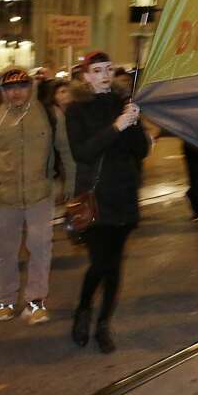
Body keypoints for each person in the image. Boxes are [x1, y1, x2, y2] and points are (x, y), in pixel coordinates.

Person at [0, 68, 76, 324]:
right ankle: (5, 300)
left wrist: (71, 186)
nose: (16, 93)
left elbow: (67, 152)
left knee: (40, 247)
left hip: (40, 194)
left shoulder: (49, 113)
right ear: (2, 90)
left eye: (22, 86)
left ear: (31, 87)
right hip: (2, 197)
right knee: (6, 251)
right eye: (10, 88)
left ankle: (36, 302)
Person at [66, 50, 151, 354]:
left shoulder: (123, 103)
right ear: (86, 76)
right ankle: (83, 309)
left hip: (124, 194)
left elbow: (140, 151)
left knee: (114, 266)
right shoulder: (76, 109)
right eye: (97, 70)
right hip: (96, 198)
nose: (104, 75)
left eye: (108, 69)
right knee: (100, 262)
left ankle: (103, 323)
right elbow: (83, 152)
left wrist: (134, 122)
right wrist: (117, 127)